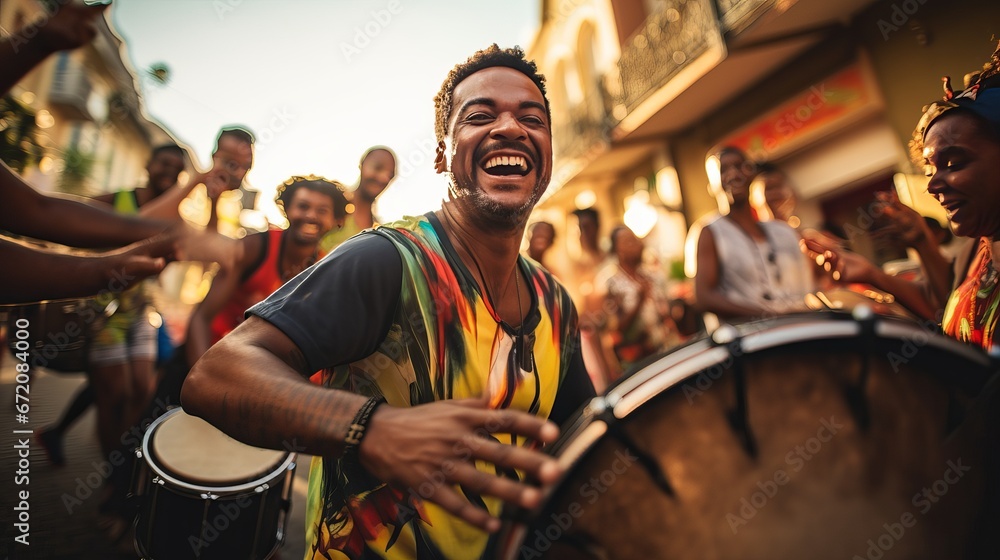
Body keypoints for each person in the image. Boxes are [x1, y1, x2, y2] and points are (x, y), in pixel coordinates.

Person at [182, 44, 595, 559]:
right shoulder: (388, 260)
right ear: (442, 155)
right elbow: (215, 375)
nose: (510, 128)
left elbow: (582, 442)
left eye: (531, 119)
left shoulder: (555, 302)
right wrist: (367, 427)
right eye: (480, 116)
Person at [0, 2, 233, 303]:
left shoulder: (176, 212)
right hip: (89, 303)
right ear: (147, 165)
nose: (169, 172)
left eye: (177, 170)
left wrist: (213, 201)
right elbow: (46, 215)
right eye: (164, 164)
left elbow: (37, 211)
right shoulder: (121, 200)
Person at [813, 41, 1000, 350]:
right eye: (929, 171)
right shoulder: (978, 248)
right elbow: (940, 306)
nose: (933, 186)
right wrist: (873, 272)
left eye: (954, 164)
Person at [693, 146, 814, 322]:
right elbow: (704, 297)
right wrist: (765, 314)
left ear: (751, 174)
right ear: (711, 186)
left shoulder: (783, 232)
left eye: (739, 166)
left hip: (799, 327)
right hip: (752, 335)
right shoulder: (711, 232)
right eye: (723, 170)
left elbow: (808, 283)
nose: (734, 175)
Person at [597, 225, 681, 372]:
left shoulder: (651, 276)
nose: (635, 244)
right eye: (628, 241)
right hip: (637, 361)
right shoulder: (610, 284)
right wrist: (639, 300)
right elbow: (615, 329)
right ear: (617, 250)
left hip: (665, 352)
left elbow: (667, 313)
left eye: (635, 239)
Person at [319, 146, 397, 253]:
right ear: (362, 164)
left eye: (390, 175)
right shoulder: (332, 205)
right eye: (378, 168)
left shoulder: (378, 230)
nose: (383, 178)